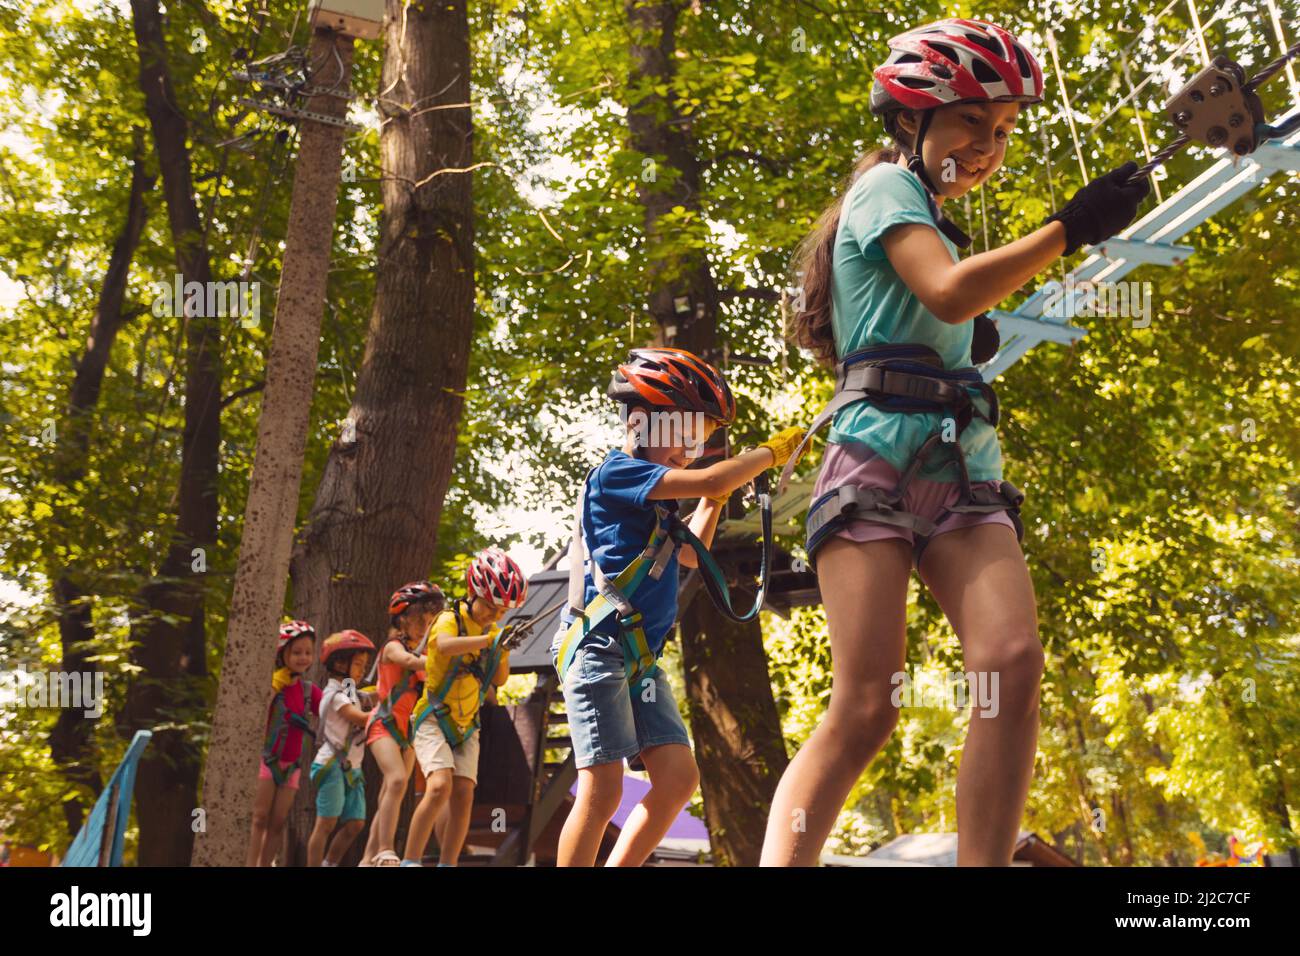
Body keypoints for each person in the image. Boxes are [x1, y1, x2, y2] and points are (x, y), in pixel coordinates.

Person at [761, 18, 1150, 866]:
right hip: (873, 460)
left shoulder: (935, 216)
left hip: (961, 462)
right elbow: (943, 294)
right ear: (912, 120)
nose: (988, 144)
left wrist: (1065, 237)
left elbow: (954, 305)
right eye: (972, 119)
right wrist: (1069, 227)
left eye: (1003, 130)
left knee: (1010, 662)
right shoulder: (886, 192)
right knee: (866, 707)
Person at [551, 347, 804, 866]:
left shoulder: (659, 500)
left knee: (678, 779)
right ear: (641, 421)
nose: (693, 450)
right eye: (688, 434)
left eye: (702, 441)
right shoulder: (616, 474)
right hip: (599, 647)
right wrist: (768, 454)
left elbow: (688, 553)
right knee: (602, 789)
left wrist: (711, 503)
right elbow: (713, 478)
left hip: (637, 657)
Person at [403, 548, 527, 867]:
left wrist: (503, 650)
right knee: (439, 785)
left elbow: (499, 679)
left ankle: (449, 862)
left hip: (466, 725)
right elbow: (444, 646)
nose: (493, 616)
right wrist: (489, 642)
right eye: (489, 606)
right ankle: (410, 861)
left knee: (463, 794)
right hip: (433, 718)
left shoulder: (492, 633)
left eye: (500, 611)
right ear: (474, 593)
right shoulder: (450, 619)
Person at [360, 581, 445, 867]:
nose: (424, 625)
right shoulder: (392, 647)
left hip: (407, 732)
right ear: (403, 619)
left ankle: (367, 859)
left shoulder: (424, 653)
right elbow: (409, 661)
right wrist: (442, 657)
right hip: (382, 725)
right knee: (396, 781)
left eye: (429, 620)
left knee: (390, 792)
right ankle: (386, 849)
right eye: (420, 618)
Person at [247, 620, 322, 867]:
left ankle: (265, 864)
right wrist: (275, 685)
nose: (303, 658)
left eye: (308, 652)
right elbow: (257, 711)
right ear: (283, 654)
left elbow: (334, 705)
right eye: (296, 652)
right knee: (259, 817)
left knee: (278, 821)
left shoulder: (309, 690)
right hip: (268, 760)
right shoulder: (273, 684)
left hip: (292, 765)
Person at [307, 630, 375, 867]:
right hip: (332, 765)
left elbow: (369, 696)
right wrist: (383, 713)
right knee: (325, 824)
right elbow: (358, 717)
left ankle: (330, 864)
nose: (362, 670)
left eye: (365, 666)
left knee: (355, 823)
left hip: (351, 768)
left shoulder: (349, 691)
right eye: (358, 664)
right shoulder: (334, 694)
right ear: (339, 663)